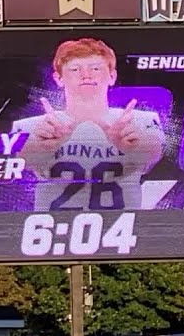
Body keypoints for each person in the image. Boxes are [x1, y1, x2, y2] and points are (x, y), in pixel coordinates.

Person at [15, 37, 165, 211]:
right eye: (75, 69)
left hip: (122, 231)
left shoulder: (140, 121)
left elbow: (154, 155)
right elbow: (21, 160)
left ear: (112, 76)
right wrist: (42, 147)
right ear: (58, 78)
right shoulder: (33, 126)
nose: (86, 75)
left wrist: (133, 146)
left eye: (95, 68)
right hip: (51, 232)